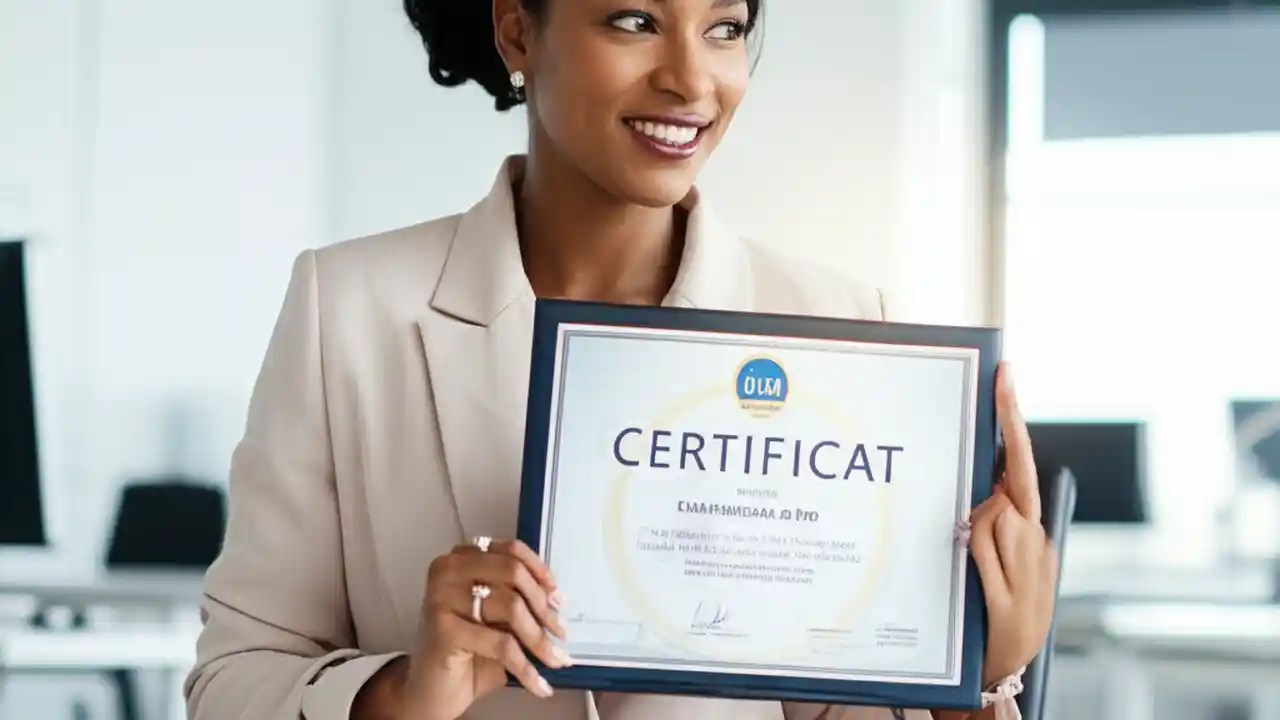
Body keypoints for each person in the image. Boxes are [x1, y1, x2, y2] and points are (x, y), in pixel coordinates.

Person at [183, 1, 1058, 718]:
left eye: (724, 28)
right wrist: (407, 692)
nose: (689, 79)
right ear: (517, 30)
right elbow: (232, 684)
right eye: (634, 21)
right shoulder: (350, 308)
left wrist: (976, 680)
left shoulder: (837, 324)